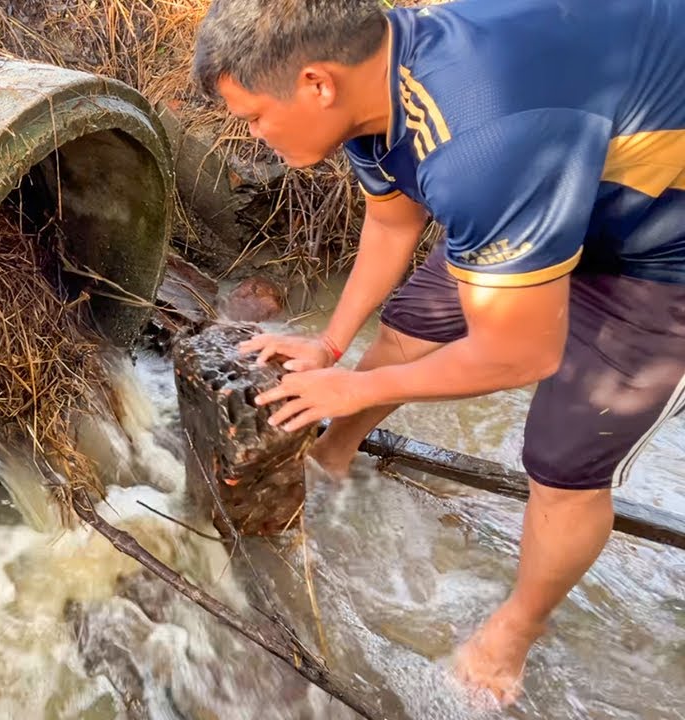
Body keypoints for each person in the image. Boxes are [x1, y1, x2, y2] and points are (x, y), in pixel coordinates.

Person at [192, 0, 685, 705]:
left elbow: (521, 357)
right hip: (554, 179)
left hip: (660, 248)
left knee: (564, 455)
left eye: (253, 118)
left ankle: (517, 627)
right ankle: (335, 457)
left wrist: (353, 390)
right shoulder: (378, 90)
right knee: (413, 321)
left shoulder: (481, 143)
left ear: (316, 83)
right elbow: (393, 224)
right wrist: (331, 346)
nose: (255, 136)